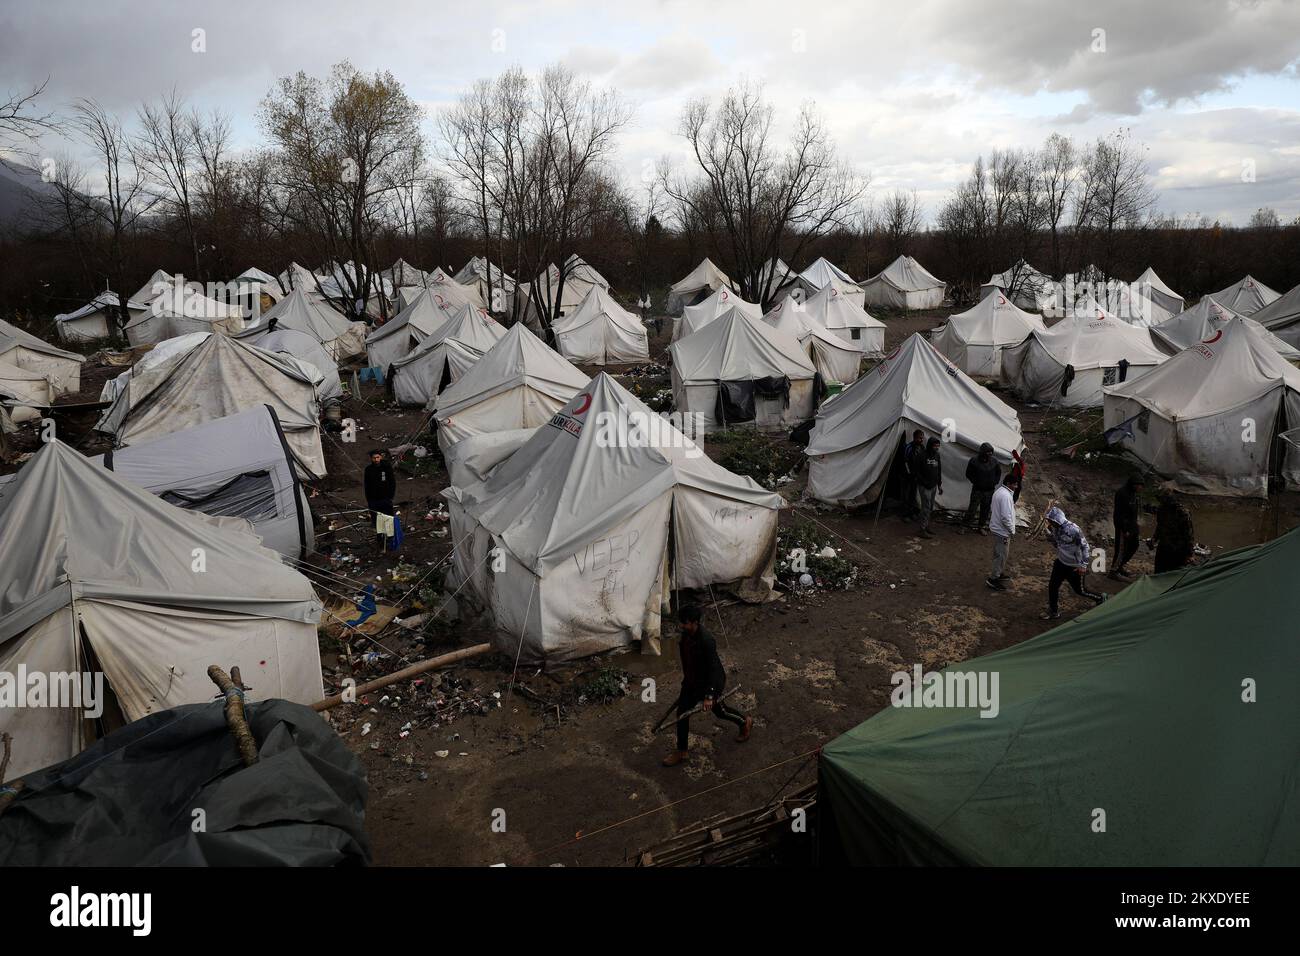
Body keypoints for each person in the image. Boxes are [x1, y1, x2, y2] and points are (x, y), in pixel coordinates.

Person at [663, 605, 752, 768]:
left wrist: (709, 696)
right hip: (692, 681)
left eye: (685, 623)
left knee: (720, 712)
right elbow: (687, 660)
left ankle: (744, 722)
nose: (682, 625)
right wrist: (687, 680)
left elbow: (712, 668)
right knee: (682, 714)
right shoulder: (686, 635)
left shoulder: (706, 640)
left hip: (710, 682)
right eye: (681, 622)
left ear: (695, 622)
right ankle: (682, 751)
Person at [1043, 505, 1105, 620]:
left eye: (1051, 520)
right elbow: (1058, 544)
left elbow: (1085, 546)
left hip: (1074, 566)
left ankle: (1100, 597)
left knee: (1080, 590)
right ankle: (1053, 611)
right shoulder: (1055, 528)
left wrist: (1083, 565)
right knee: (1053, 586)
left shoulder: (1073, 529)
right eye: (1049, 520)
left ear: (1058, 520)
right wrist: (1049, 535)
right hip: (1061, 562)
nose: (1050, 522)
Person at [985, 474, 1020, 591]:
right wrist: (1012, 530)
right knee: (1000, 555)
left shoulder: (1000, 491)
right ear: (1009, 483)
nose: (1016, 486)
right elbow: (1005, 517)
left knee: (1001, 554)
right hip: (1002, 531)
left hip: (998, 528)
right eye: (1015, 484)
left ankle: (998, 573)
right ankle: (993, 579)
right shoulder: (1005, 496)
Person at [1109, 474, 1145, 580]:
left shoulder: (1133, 494)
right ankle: (1113, 572)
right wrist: (1125, 529)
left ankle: (1120, 566)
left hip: (1132, 526)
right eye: (1140, 485)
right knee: (1121, 549)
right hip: (1123, 527)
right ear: (1134, 484)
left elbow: (1133, 512)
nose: (1141, 488)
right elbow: (1120, 514)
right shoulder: (1122, 493)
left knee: (1134, 545)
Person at [1149, 491, 1195, 573]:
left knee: (1175, 574)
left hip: (1178, 549)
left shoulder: (1183, 513)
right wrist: (1154, 538)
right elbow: (1160, 526)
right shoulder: (1161, 510)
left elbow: (1189, 535)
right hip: (1164, 546)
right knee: (1159, 572)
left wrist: (1190, 554)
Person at [363, 449, 397, 554]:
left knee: (388, 519)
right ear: (371, 459)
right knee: (377, 521)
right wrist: (369, 500)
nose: (376, 460)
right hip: (374, 500)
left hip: (385, 499)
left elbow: (392, 482)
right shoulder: (368, 470)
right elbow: (366, 486)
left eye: (378, 457)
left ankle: (391, 539)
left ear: (380, 457)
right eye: (374, 458)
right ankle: (380, 540)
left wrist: (390, 497)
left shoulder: (386, 467)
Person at [963, 442, 1001, 534]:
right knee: (972, 509)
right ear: (983, 452)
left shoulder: (994, 461)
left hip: (989, 490)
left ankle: (981, 526)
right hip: (977, 490)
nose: (990, 454)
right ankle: (964, 526)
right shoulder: (974, 461)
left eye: (991, 452)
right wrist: (976, 482)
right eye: (988, 452)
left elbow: (998, 473)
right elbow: (968, 474)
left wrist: (994, 482)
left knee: (985, 509)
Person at [916, 437, 943, 538]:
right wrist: (924, 482)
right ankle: (921, 529)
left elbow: (939, 470)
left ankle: (926, 526)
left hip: (933, 486)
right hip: (924, 486)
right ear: (930, 445)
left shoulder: (937, 455)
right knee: (926, 507)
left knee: (930, 507)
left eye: (938, 446)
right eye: (935, 446)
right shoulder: (921, 455)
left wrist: (939, 485)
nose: (937, 448)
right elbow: (917, 472)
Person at [900, 430, 925, 520]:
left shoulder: (922, 448)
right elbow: (905, 462)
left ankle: (911, 512)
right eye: (920, 438)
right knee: (906, 495)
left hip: (916, 477)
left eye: (922, 438)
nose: (921, 440)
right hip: (907, 476)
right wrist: (909, 473)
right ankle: (905, 514)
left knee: (913, 495)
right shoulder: (909, 447)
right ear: (915, 438)